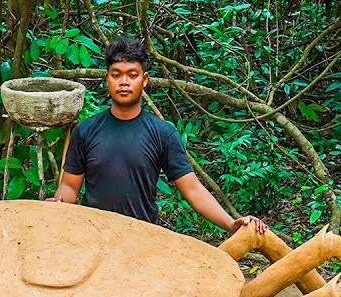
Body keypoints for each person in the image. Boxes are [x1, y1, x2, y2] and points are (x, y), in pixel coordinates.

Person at [48, 37, 267, 236]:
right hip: (93, 236)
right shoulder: (86, 130)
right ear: (107, 79)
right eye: (116, 75)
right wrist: (59, 203)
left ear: (144, 80)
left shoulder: (162, 133)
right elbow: (70, 186)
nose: (124, 82)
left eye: (132, 75)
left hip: (144, 239)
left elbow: (192, 189)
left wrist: (230, 223)